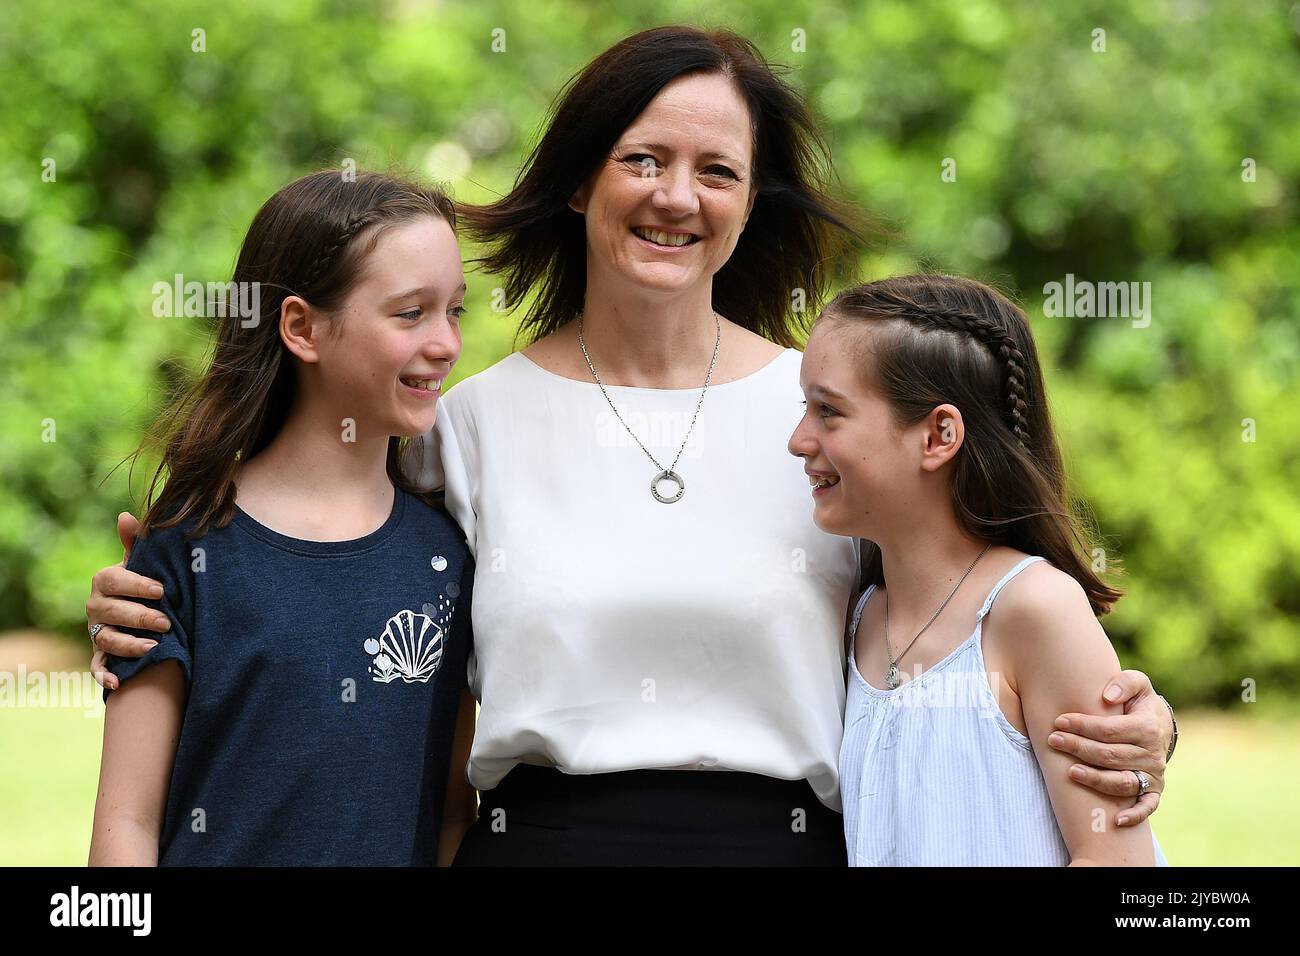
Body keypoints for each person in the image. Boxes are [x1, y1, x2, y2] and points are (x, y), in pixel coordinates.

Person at [88, 27, 1174, 866]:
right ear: (580, 181)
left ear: (750, 202)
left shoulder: (826, 415)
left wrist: (1140, 721)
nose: (676, 196)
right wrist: (161, 605)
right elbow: (317, 569)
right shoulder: (466, 426)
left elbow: (971, 609)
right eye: (642, 159)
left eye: (718, 171)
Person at [88, 170, 477, 866]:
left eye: (455, 311)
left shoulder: (449, 555)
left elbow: (452, 812)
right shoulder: (187, 544)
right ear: (302, 327)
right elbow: (127, 823)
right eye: (411, 313)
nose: (447, 342)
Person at [791, 275, 1168, 865]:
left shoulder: (1033, 608)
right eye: (805, 408)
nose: (798, 440)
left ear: (938, 436)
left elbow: (1116, 859)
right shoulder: (859, 616)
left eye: (829, 412)